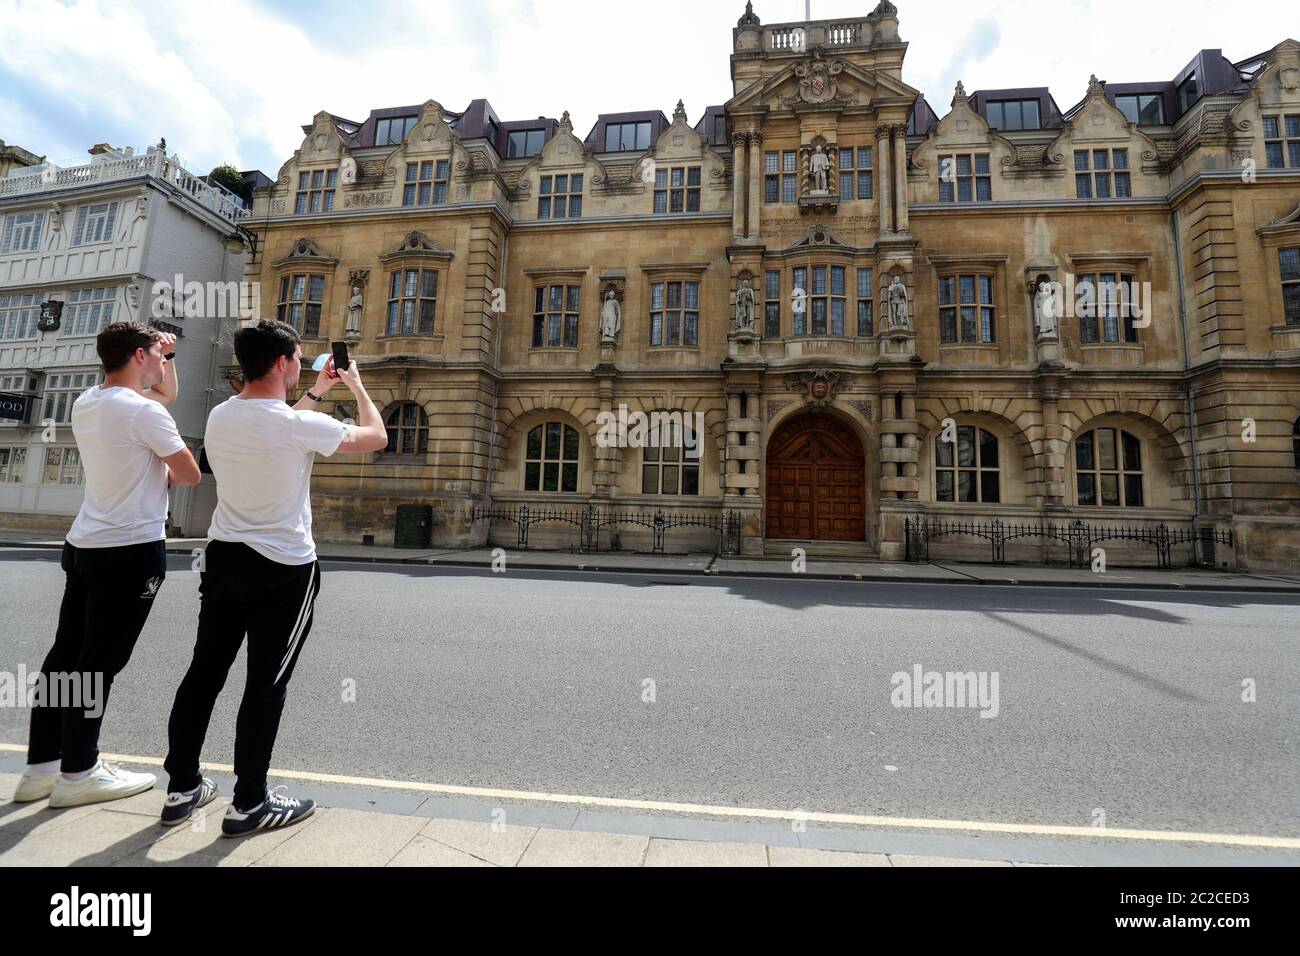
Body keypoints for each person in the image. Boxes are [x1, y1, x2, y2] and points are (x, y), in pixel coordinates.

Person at [161, 320, 388, 834]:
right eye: (298, 360)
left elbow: (281, 426)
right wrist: (353, 384)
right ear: (283, 363)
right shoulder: (294, 425)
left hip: (224, 558)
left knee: (204, 675)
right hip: (283, 568)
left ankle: (181, 789)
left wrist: (316, 389)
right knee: (265, 684)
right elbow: (376, 436)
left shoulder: (222, 416)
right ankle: (249, 804)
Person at [15, 323, 201, 807]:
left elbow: (163, 393)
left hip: (85, 543)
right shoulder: (143, 413)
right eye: (157, 357)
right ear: (139, 356)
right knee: (98, 665)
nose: (163, 365)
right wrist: (158, 462)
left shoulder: (87, 401)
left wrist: (171, 352)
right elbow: (189, 474)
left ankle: (41, 769)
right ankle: (80, 773)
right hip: (131, 548)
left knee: (64, 658)